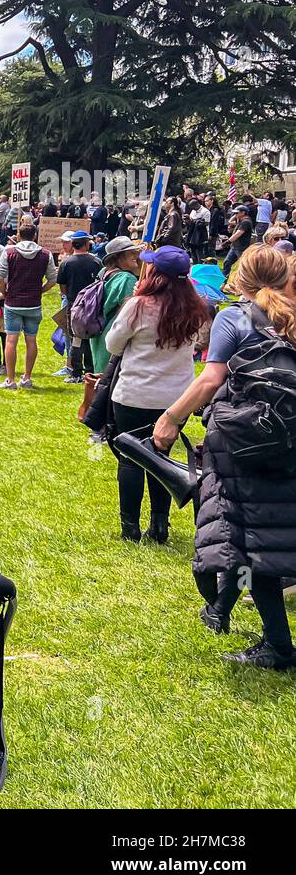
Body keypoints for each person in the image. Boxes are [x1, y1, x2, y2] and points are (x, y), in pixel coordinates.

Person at [154, 245, 296, 668]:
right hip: (288, 441)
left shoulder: (234, 318)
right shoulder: (290, 320)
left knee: (246, 535)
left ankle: (277, 646)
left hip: (243, 443)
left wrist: (171, 418)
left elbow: (211, 379)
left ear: (241, 276)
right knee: (265, 530)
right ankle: (219, 608)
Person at [104, 246, 209, 543]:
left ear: (156, 273)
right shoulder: (197, 307)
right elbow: (199, 345)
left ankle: (129, 528)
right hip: (177, 397)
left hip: (135, 393)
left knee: (130, 459)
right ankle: (160, 525)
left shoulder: (138, 305)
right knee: (160, 458)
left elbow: (113, 344)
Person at [0, 223, 57, 390]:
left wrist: (5, 293)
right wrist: (40, 291)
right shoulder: (46, 254)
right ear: (35, 236)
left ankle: (10, 379)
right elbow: (52, 280)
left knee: (11, 341)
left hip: (13, 303)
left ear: (19, 235)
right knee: (31, 341)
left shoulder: (9, 252)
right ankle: (27, 377)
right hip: (33, 304)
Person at [87, 235, 141, 375]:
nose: (135, 255)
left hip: (98, 330)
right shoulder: (127, 279)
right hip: (115, 334)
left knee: (100, 379)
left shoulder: (104, 272)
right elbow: (131, 312)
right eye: (130, 253)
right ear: (118, 257)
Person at [58, 233, 102, 382]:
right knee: (91, 337)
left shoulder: (66, 263)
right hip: (93, 306)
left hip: (73, 306)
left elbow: (62, 287)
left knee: (75, 338)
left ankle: (76, 372)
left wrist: (69, 297)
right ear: (86, 244)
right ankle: (90, 371)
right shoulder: (96, 261)